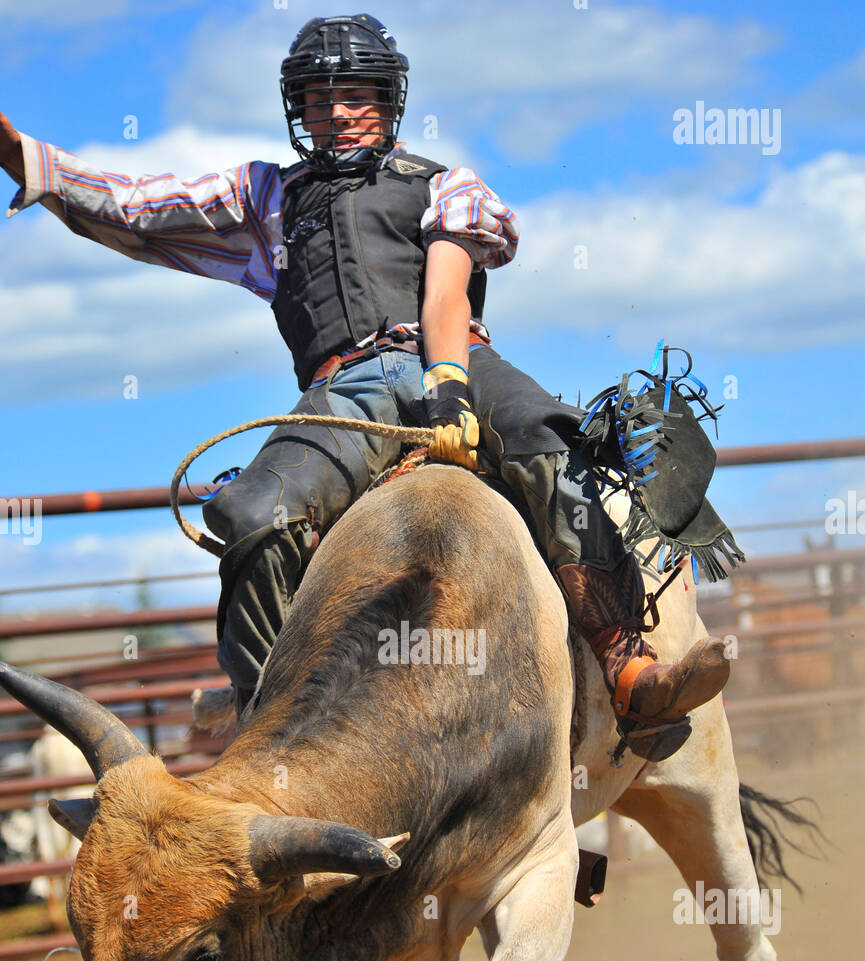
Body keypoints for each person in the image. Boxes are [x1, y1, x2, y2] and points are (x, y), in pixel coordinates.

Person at [0, 12, 731, 761]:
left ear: (389, 101)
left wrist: (448, 386)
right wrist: (20, 153)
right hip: (343, 393)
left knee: (551, 445)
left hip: (460, 361)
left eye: (355, 94)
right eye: (318, 99)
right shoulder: (265, 196)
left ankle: (626, 666)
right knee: (252, 516)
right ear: (297, 112)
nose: (337, 112)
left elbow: (445, 290)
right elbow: (135, 202)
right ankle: (267, 735)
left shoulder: (444, 184)